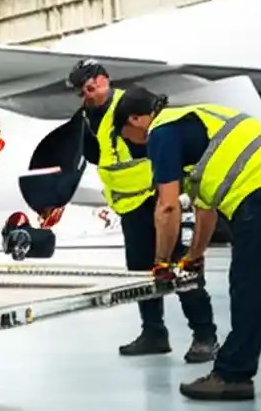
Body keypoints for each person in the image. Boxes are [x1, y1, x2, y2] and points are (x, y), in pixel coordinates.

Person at [112, 86, 261, 401]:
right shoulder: (195, 122)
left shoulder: (162, 133)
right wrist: (193, 256)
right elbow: (204, 212)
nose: (131, 143)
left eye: (126, 134)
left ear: (137, 119)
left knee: (249, 282)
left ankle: (234, 374)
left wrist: (161, 261)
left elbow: (167, 208)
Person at [52, 60, 218, 362]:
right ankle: (153, 332)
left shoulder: (127, 106)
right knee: (141, 273)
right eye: (81, 92)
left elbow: (152, 146)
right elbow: (99, 155)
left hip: (155, 198)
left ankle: (204, 336)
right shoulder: (89, 115)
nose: (86, 95)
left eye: (90, 88)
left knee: (180, 267)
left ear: (104, 80)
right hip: (128, 205)